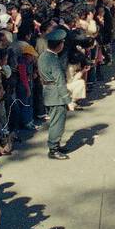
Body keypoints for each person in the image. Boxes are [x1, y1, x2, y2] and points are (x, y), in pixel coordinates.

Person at [38, 28, 70, 160]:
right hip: (56, 95)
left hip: (47, 91)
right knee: (58, 122)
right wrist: (68, 99)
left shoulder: (43, 56)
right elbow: (60, 81)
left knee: (54, 120)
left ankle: (55, 144)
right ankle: (53, 148)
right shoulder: (54, 60)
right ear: (60, 45)